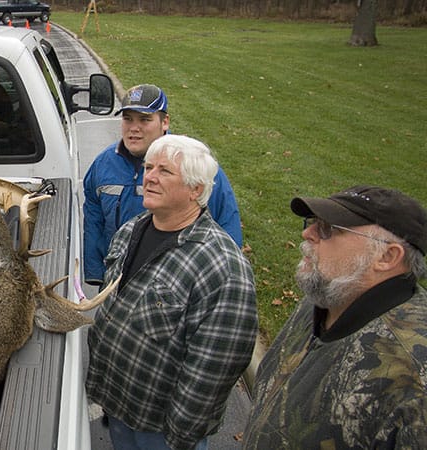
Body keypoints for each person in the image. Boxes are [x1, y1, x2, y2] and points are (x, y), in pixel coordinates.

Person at [86, 134, 258, 450]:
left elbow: (213, 372)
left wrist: (180, 438)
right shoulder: (131, 230)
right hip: (118, 405)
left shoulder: (222, 267)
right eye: (149, 167)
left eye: (164, 171)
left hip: (161, 430)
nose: (149, 177)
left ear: (196, 190)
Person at [243, 185, 427, 448]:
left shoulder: (414, 382)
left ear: (387, 256)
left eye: (329, 229)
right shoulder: (326, 296)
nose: (307, 233)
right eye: (313, 222)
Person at [83, 84, 243, 286]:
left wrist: (223, 278)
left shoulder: (194, 166)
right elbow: (93, 219)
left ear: (164, 122)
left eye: (145, 119)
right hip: (117, 279)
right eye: (127, 119)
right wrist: (96, 272)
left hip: (174, 286)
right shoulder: (102, 165)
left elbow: (227, 224)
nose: (134, 128)